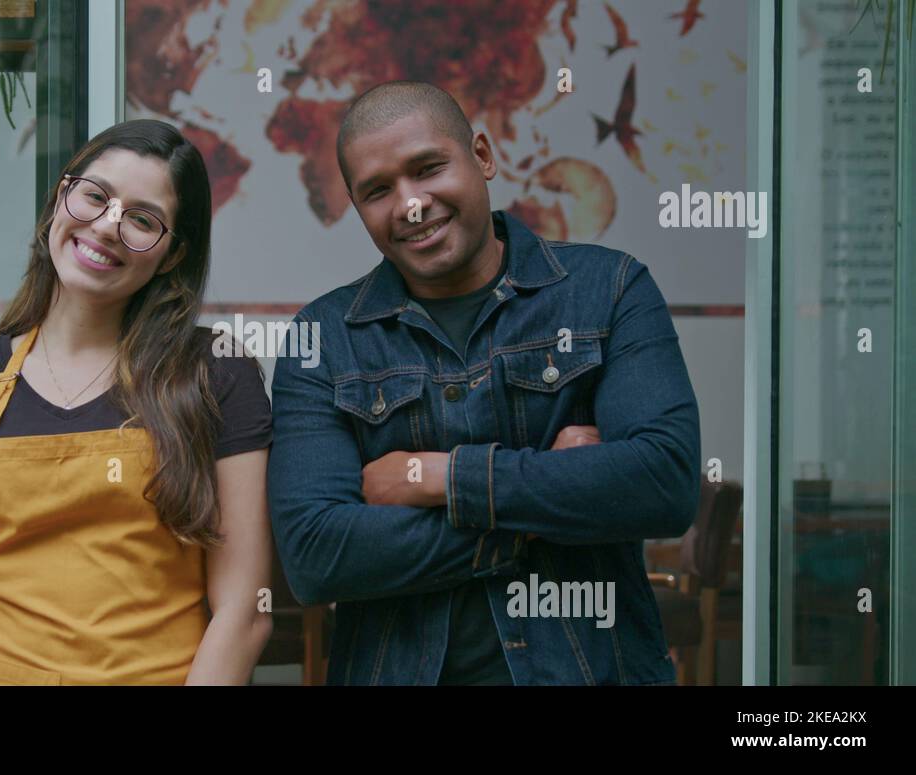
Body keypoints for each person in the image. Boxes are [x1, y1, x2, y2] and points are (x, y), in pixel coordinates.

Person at [267, 81, 701, 685]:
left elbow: (663, 483)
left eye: (427, 168)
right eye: (377, 190)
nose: (410, 204)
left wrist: (437, 478)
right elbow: (316, 556)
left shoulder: (609, 290)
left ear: (483, 155)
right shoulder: (325, 336)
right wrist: (547, 505)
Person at [0, 119, 274, 685]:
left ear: (172, 256)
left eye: (143, 220)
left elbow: (244, 612)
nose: (108, 226)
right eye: (95, 196)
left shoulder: (216, 373)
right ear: (60, 201)